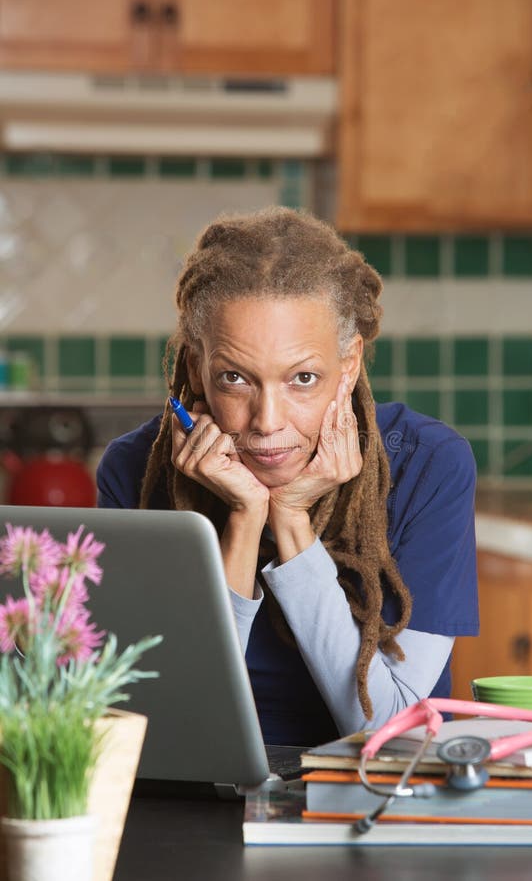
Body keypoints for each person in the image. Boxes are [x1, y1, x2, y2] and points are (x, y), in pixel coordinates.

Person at [97, 206, 478, 747]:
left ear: (348, 368)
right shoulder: (134, 470)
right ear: (194, 368)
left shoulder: (429, 465)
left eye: (303, 378)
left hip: (379, 794)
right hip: (203, 798)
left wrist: (292, 521)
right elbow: (178, 729)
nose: (268, 421)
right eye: (235, 379)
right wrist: (244, 520)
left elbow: (390, 733)